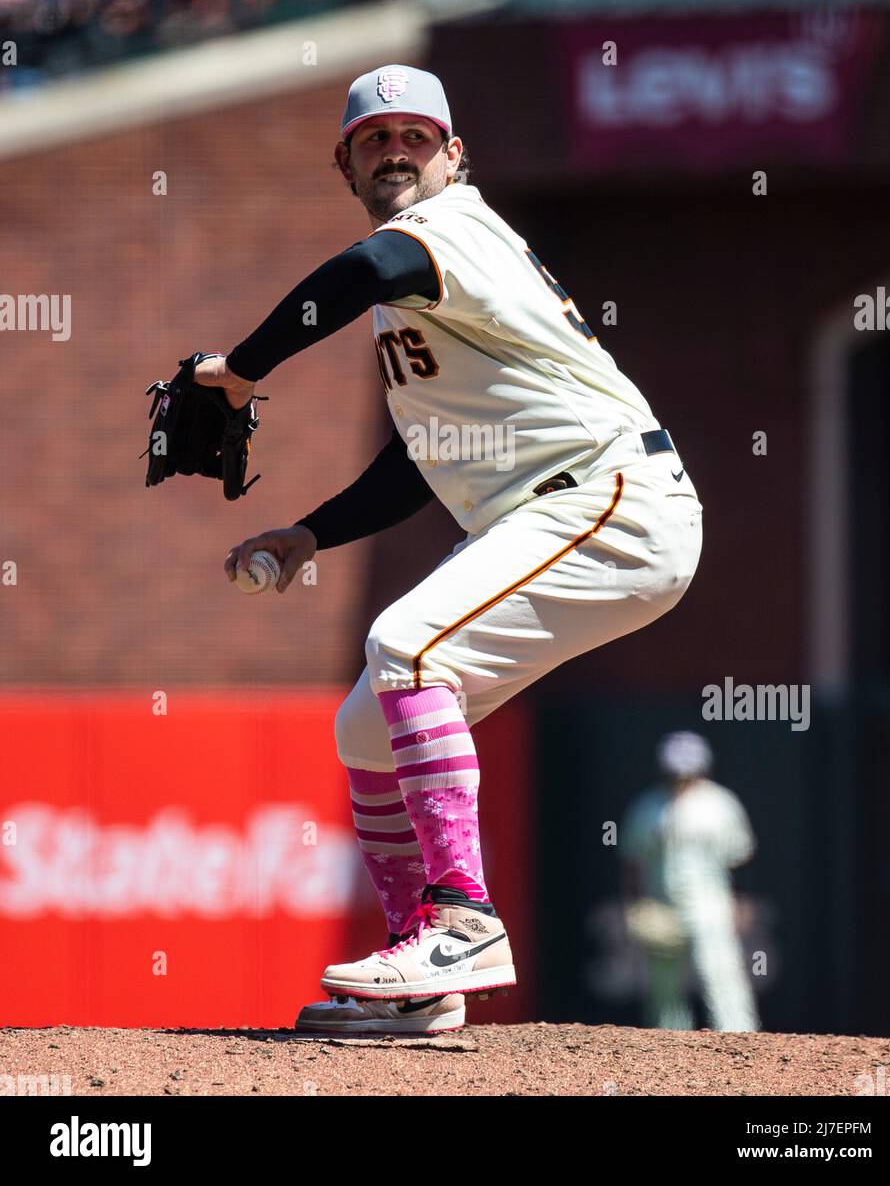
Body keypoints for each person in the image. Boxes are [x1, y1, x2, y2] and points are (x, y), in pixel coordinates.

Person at [193, 64, 703, 1035]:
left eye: (414, 136)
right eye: (373, 138)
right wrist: (310, 533)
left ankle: (462, 918)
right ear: (343, 161)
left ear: (454, 156)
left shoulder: (449, 229)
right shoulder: (426, 285)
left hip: (612, 497)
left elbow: (362, 271)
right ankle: (422, 979)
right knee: (365, 729)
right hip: (561, 512)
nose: (395, 150)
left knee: (408, 644)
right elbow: (428, 459)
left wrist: (241, 369)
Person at [620, 731, 760, 1032]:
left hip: (710, 904)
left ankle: (741, 1043)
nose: (681, 779)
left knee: (721, 975)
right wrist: (634, 904)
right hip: (662, 903)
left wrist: (740, 902)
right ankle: (667, 1051)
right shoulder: (648, 807)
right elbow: (633, 861)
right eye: (675, 773)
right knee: (663, 985)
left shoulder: (721, 804)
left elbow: (740, 859)